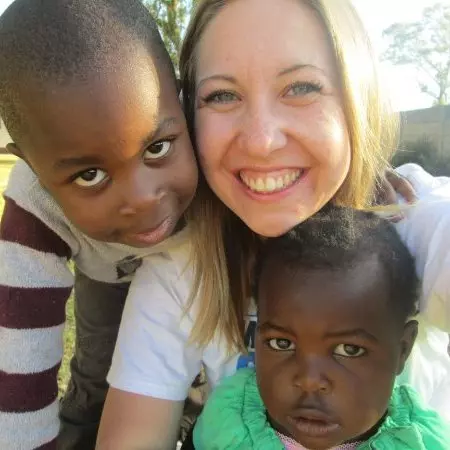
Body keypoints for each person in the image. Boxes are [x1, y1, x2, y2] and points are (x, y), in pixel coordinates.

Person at [98, 0, 450, 448]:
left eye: (300, 87)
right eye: (222, 95)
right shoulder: (181, 274)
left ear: (355, 100)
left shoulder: (417, 222)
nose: (262, 140)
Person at [0, 1, 198, 449]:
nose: (143, 198)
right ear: (32, 165)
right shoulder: (34, 213)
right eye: (90, 175)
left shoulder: (212, 143)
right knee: (96, 372)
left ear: (181, 99)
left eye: (159, 147)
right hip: (107, 275)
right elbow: (18, 384)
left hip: (197, 268)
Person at [190, 206, 450, 449]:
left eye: (349, 349)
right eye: (282, 343)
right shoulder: (227, 422)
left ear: (402, 350)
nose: (309, 380)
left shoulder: (422, 442)